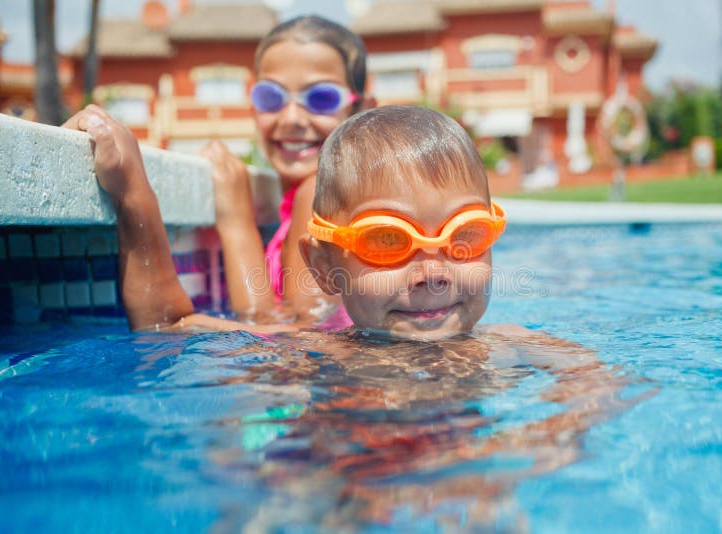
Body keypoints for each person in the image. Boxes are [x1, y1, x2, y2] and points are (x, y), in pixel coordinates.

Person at [62, 104, 640, 527]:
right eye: (388, 240)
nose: (434, 270)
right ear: (323, 265)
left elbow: (601, 385)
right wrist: (134, 190)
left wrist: (517, 451)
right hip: (327, 484)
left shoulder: (512, 343)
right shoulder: (316, 352)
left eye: (464, 235)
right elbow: (165, 327)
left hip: (469, 484)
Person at [200, 16, 372, 325]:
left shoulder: (320, 192)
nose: (291, 117)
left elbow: (292, 335)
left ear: (361, 109)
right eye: (271, 97)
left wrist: (236, 221)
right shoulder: (321, 193)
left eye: (321, 98)